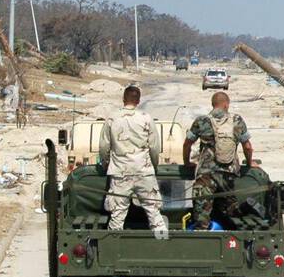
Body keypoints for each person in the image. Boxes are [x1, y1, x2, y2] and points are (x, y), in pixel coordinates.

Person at [98, 85, 169, 238]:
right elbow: (154, 147)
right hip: (144, 171)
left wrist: (105, 163)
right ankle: (162, 242)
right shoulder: (146, 118)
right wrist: (153, 165)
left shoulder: (112, 118)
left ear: (123, 99)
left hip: (120, 172)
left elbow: (104, 146)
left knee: (117, 214)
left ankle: (113, 245)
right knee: (154, 211)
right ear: (138, 101)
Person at [183, 91, 253, 230]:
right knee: (233, 215)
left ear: (212, 104)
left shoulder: (201, 121)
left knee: (202, 217)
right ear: (226, 105)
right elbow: (248, 147)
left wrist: (187, 163)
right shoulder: (237, 120)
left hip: (206, 176)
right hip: (230, 176)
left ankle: (203, 236)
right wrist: (250, 163)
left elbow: (187, 144)